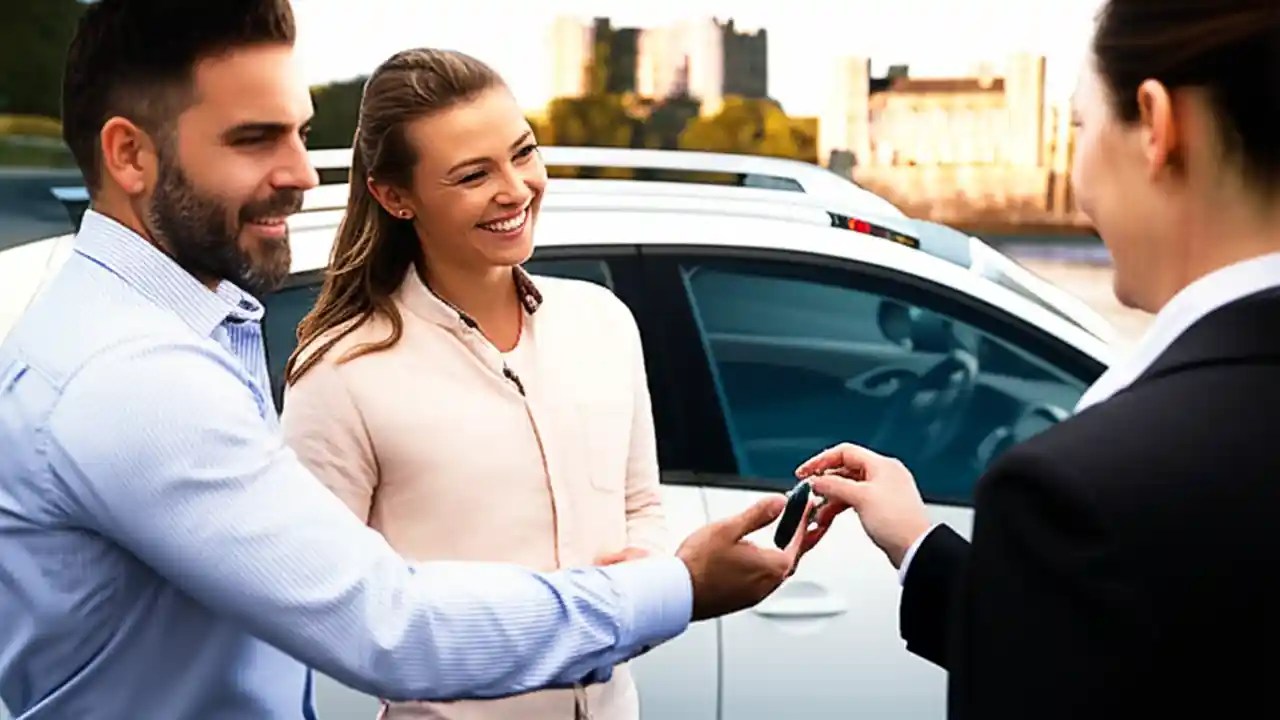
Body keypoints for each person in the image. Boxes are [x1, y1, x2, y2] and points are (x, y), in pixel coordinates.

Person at [0, 2, 823, 718]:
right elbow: (387, 626)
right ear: (129, 155)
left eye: (300, 133)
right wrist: (676, 586)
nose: (300, 174)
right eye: (255, 139)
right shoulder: (132, 379)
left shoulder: (173, 332)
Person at [796, 1, 1280, 718]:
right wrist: (920, 546)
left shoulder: (1075, 492)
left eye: (1081, 125)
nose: (1078, 184)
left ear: (1156, 125)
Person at [279, 48, 666, 720]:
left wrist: (646, 586)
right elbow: (318, 605)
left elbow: (643, 510)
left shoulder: (603, 322)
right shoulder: (339, 373)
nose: (515, 190)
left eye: (523, 153)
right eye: (472, 175)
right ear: (394, 196)